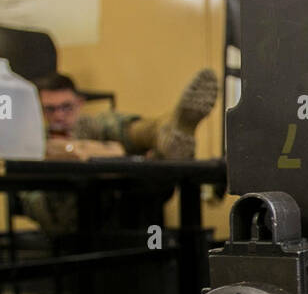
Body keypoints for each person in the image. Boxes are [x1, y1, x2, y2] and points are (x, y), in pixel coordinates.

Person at [20, 69, 219, 234]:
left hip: (118, 214)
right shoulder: (33, 141)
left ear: (79, 103)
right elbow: (34, 203)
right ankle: (165, 139)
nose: (59, 116)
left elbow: (110, 128)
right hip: (67, 219)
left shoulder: (88, 126)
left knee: (151, 177)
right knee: (151, 177)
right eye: (50, 110)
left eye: (66, 107)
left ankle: (160, 132)